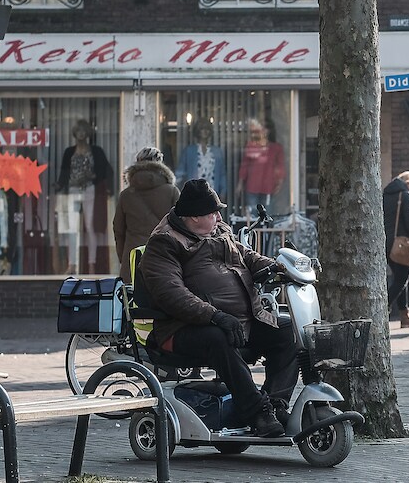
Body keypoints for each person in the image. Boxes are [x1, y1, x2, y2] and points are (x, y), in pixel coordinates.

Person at [139, 179, 297, 438]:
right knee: (218, 339)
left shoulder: (218, 229)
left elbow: (245, 255)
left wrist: (279, 267)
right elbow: (171, 293)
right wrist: (215, 316)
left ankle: (275, 406)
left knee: (286, 331)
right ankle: (257, 412)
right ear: (191, 217)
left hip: (241, 318)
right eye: (212, 212)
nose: (218, 216)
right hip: (181, 329)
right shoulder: (164, 242)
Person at [113, 147, 179, 284]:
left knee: (132, 302)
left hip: (133, 260)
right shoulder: (172, 192)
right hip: (164, 259)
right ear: (161, 164)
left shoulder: (126, 195)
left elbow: (118, 231)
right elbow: (182, 226)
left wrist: (124, 258)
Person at [56, 119, 113, 276]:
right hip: (73, 190)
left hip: (89, 189)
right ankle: (72, 264)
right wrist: (58, 187)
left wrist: (94, 176)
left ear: (88, 133)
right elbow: (64, 172)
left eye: (84, 130)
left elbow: (104, 170)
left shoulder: (95, 151)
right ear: (75, 133)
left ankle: (91, 264)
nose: (81, 133)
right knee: (72, 228)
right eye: (78, 130)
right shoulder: (69, 151)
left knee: (90, 227)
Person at [384, 171, 409, 328]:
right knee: (402, 279)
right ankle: (383, 307)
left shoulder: (385, 195)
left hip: (386, 243)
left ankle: (405, 315)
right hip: (402, 244)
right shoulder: (406, 196)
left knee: (399, 278)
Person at [235, 118, 284, 216]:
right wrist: (240, 183)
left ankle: (266, 232)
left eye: (266, 128)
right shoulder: (251, 146)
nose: (264, 131)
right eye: (262, 128)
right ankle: (254, 232)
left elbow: (280, 166)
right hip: (252, 186)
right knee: (252, 215)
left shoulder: (276, 148)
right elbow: (245, 165)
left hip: (268, 186)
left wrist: (280, 182)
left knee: (266, 214)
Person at [176, 120, 226, 200]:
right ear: (198, 131)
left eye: (207, 129)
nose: (205, 131)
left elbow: (222, 173)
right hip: (194, 192)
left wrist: (223, 191)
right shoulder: (189, 151)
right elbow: (180, 171)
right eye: (202, 128)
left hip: (212, 192)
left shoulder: (217, 151)